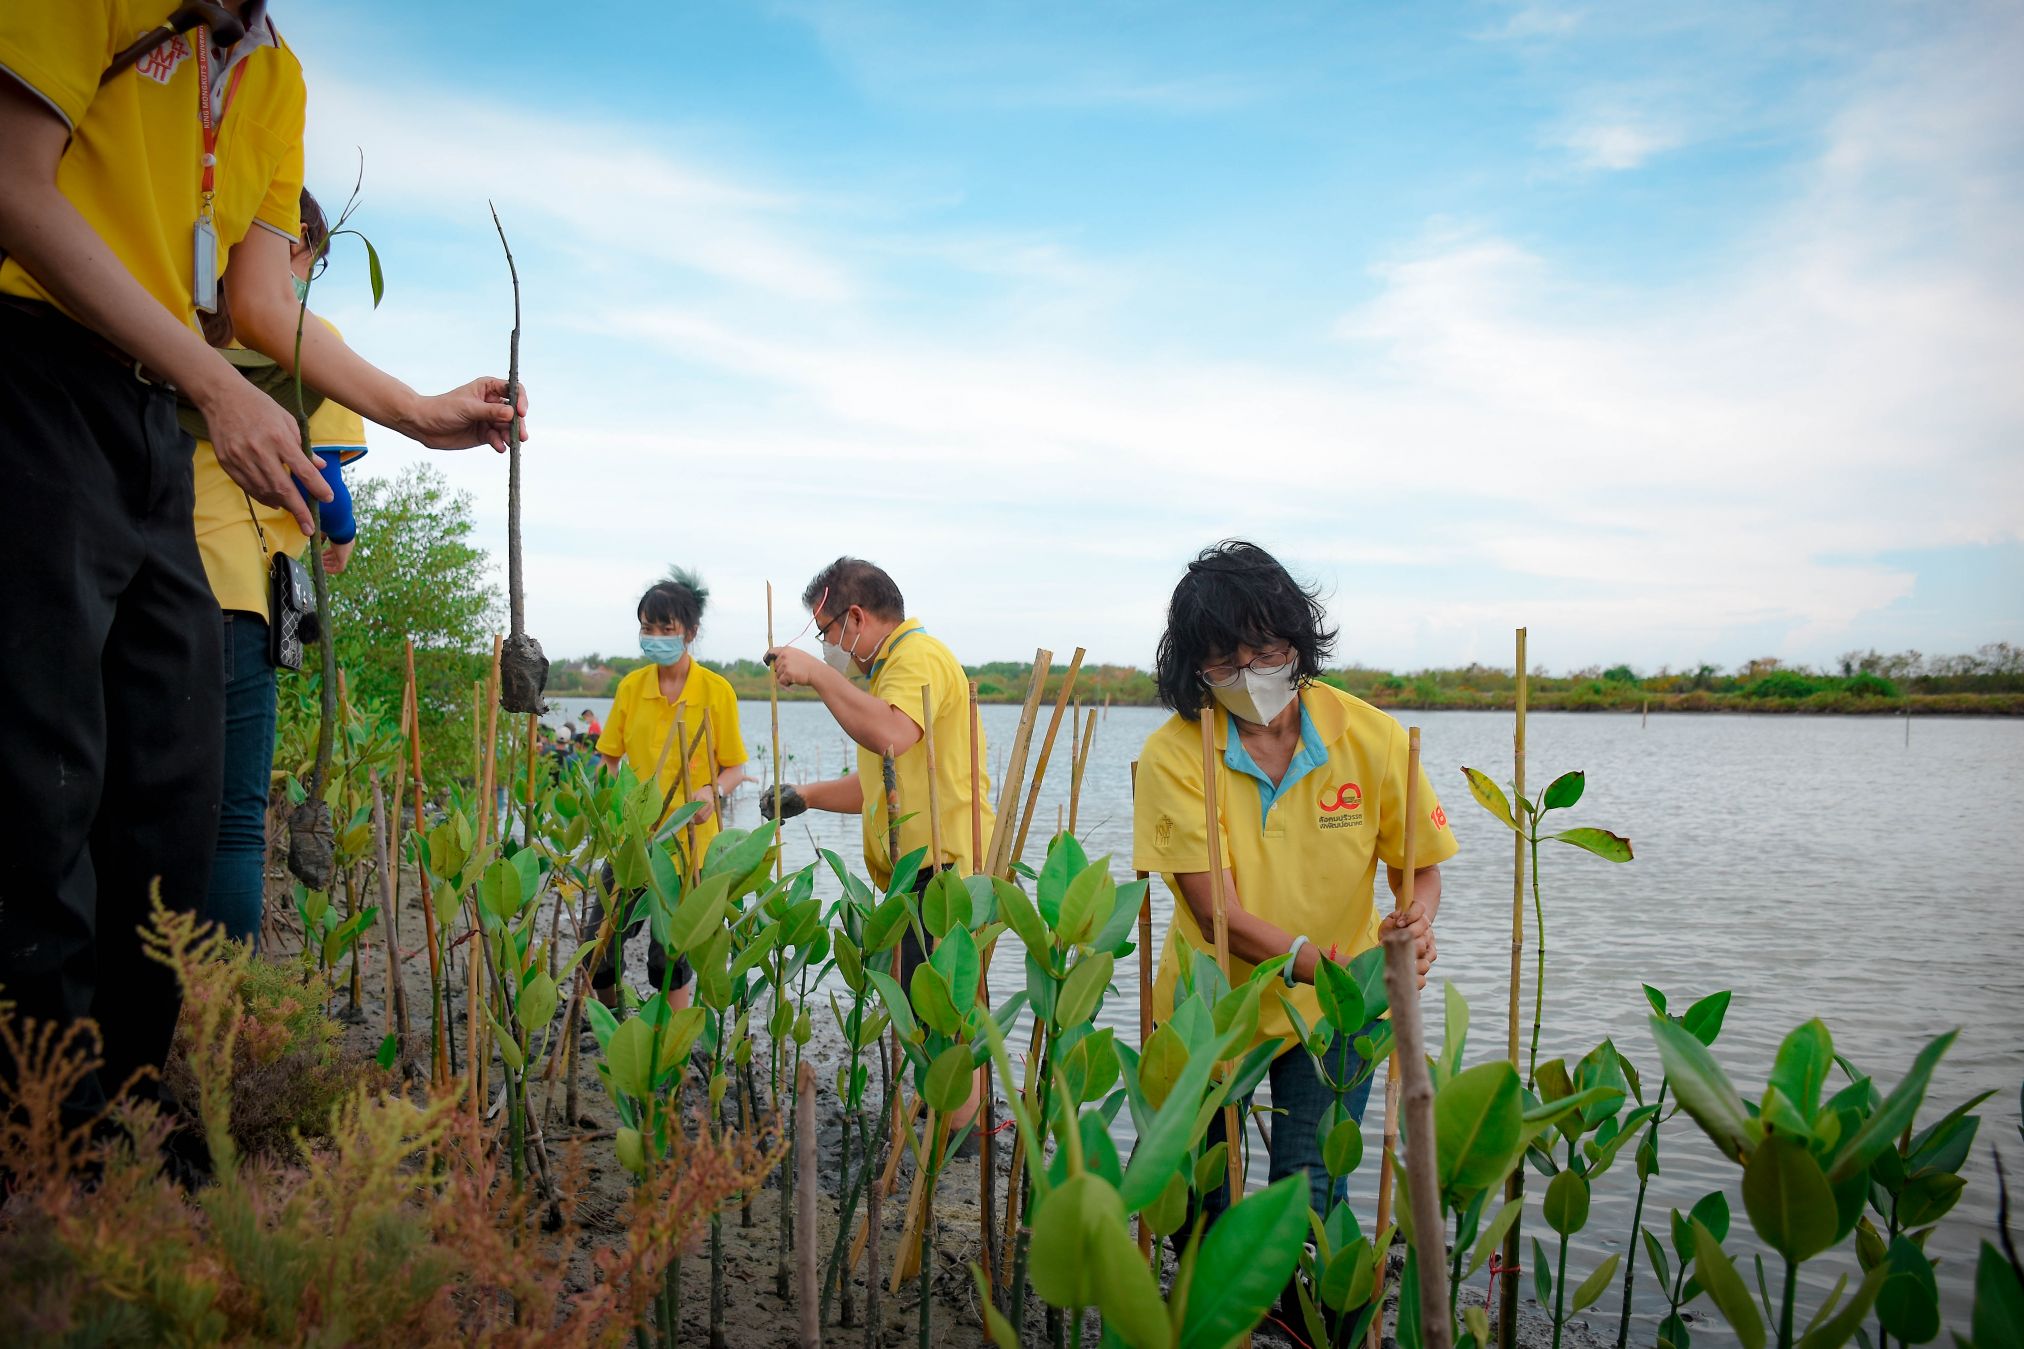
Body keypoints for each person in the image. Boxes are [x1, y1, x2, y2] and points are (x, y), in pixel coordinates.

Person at [0, 2, 526, 1129]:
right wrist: (215, 383)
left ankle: (124, 1114)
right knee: (42, 769)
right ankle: (38, 1134)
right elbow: (14, 186)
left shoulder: (275, 73)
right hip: (32, 374)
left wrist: (418, 409)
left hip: (150, 410)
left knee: (172, 775)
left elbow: (260, 298)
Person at [1131, 541, 1456, 1225]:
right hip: (1212, 1001)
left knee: (1307, 1197)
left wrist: (1414, 926)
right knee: (1202, 1201)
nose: (1249, 674)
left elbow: (1418, 867)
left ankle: (1298, 1321)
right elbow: (1217, 909)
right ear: (1195, 667)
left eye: (1265, 651)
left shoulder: (1371, 735)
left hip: (1333, 1013)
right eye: (1224, 661)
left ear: (1298, 645)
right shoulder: (1175, 753)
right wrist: (1333, 972)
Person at [191, 186, 371, 946]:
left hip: (137, 572)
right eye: (311, 259)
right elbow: (323, 467)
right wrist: (342, 535)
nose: (306, 275)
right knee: (234, 819)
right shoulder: (303, 335)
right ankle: (216, 1005)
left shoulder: (169, 315)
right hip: (236, 587)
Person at [761, 557, 993, 1126]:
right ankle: (952, 1121)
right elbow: (878, 783)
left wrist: (818, 673)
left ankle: (958, 1134)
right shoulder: (891, 673)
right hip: (915, 870)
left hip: (945, 872)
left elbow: (890, 733)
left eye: (827, 633)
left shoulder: (917, 657)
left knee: (946, 1013)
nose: (829, 646)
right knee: (929, 1006)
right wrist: (806, 795)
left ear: (856, 618)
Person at [588, 570, 748, 1009]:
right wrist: (609, 803)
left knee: (669, 958)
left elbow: (735, 767)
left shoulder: (717, 692)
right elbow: (609, 759)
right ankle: (611, 1023)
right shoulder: (631, 688)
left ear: (690, 633)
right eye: (647, 628)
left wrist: (711, 792)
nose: (655, 637)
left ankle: (673, 1045)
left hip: (688, 847)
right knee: (598, 946)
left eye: (666, 629)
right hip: (632, 843)